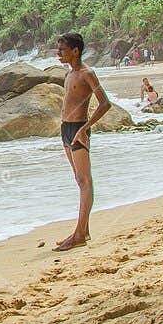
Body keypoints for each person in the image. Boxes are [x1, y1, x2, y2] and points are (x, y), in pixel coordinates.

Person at [54, 32, 111, 251]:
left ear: (75, 51)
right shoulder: (69, 75)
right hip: (66, 129)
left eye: (62, 49)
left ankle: (79, 235)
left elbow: (105, 104)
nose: (58, 53)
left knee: (85, 180)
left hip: (78, 129)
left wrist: (85, 129)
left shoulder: (87, 73)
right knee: (79, 180)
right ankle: (83, 230)